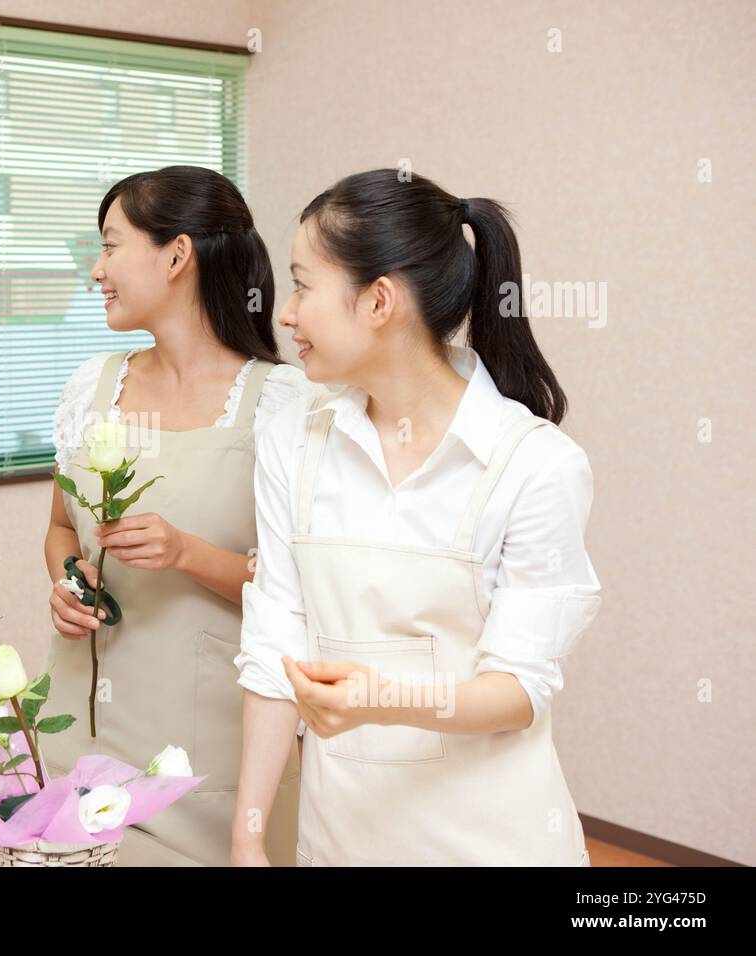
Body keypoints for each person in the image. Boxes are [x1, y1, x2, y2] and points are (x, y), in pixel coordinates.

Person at [233, 168, 602, 866]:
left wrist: (381, 699)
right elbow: (272, 647)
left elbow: (519, 690)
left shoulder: (534, 465)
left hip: (494, 841)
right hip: (340, 838)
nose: (286, 312)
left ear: (378, 301)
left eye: (304, 285)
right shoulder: (291, 440)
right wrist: (249, 836)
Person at [42, 165, 316, 866]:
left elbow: (308, 593)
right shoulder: (91, 387)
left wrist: (187, 553)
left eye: (109, 247)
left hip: (209, 738)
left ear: (176, 255)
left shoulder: (283, 405)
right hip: (83, 713)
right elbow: (62, 529)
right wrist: (68, 582)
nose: (96, 270)